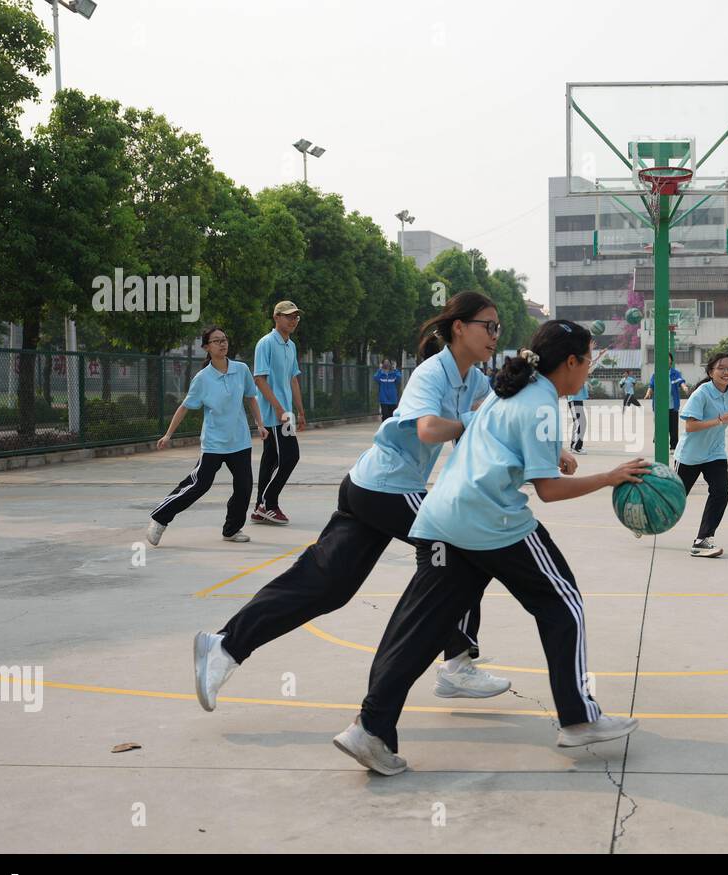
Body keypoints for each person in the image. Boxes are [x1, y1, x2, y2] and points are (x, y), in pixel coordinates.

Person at [333, 320, 651, 775]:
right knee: (563, 604)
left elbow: (497, 438)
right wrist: (610, 476)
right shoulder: (541, 401)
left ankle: (370, 728)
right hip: (492, 523)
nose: (590, 368)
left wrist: (551, 450)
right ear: (572, 363)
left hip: (442, 518)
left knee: (418, 629)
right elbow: (549, 492)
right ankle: (578, 718)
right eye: (589, 359)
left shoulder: (511, 390)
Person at [193, 292, 509, 713]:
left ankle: (226, 646)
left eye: (498, 329)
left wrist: (538, 439)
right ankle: (457, 661)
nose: (494, 335)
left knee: (325, 586)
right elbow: (429, 430)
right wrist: (473, 423)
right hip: (387, 487)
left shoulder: (475, 380)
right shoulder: (432, 373)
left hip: (369, 487)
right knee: (464, 550)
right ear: (458, 328)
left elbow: (493, 419)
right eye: (488, 326)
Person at [147, 326, 264, 547]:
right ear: (206, 347)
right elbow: (185, 407)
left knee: (244, 487)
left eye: (224, 339)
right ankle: (160, 518)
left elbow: (251, 398)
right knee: (199, 485)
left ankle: (231, 530)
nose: (222, 344)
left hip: (239, 441)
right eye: (217, 341)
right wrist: (168, 434)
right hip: (214, 443)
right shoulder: (203, 378)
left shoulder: (241, 369)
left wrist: (260, 424)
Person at [676, 352, 728, 558]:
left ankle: (702, 540)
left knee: (720, 492)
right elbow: (690, 426)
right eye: (721, 368)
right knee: (674, 502)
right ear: (711, 372)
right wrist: (718, 420)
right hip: (689, 455)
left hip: (715, 452)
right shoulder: (701, 394)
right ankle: (646, 519)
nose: (727, 372)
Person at [252, 301, 306, 525]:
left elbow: (293, 379)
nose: (293, 320)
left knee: (271, 459)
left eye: (296, 317)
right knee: (291, 456)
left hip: (285, 413)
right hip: (273, 413)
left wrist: (300, 411)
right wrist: (278, 408)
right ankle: (268, 503)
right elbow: (259, 379)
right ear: (276, 317)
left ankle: (259, 507)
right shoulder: (266, 343)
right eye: (288, 316)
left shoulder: (290, 346)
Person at [644, 354, 688, 451]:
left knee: (673, 428)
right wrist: (648, 393)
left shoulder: (675, 373)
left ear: (671, 361)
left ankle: (673, 447)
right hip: (660, 406)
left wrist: (684, 387)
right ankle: (659, 439)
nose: (666, 360)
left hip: (673, 406)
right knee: (661, 426)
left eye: (668, 359)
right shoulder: (657, 374)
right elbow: (651, 385)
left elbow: (681, 381)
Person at [569, 377, 589, 453]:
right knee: (580, 423)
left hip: (578, 399)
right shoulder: (574, 373)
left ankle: (574, 445)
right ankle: (576, 447)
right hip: (574, 399)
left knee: (578, 423)